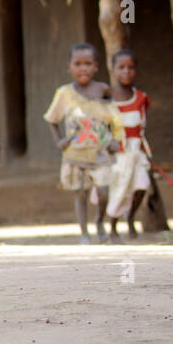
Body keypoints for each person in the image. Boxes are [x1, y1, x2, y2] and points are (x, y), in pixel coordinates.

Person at [44, 43, 123, 244]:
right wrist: (59, 141)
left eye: (88, 63)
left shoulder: (103, 90)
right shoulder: (64, 93)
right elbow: (52, 120)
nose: (83, 68)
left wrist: (115, 140)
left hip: (100, 152)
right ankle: (84, 233)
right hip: (76, 153)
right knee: (80, 193)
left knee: (103, 191)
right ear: (69, 67)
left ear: (96, 66)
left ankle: (99, 221)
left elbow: (115, 118)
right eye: (77, 64)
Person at [105, 49, 150, 242]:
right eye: (121, 67)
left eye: (131, 67)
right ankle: (113, 225)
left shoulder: (141, 98)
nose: (126, 71)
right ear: (113, 69)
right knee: (119, 188)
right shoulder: (107, 99)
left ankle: (130, 216)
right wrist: (107, 143)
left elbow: (142, 126)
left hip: (137, 151)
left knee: (142, 185)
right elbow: (100, 126)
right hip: (118, 153)